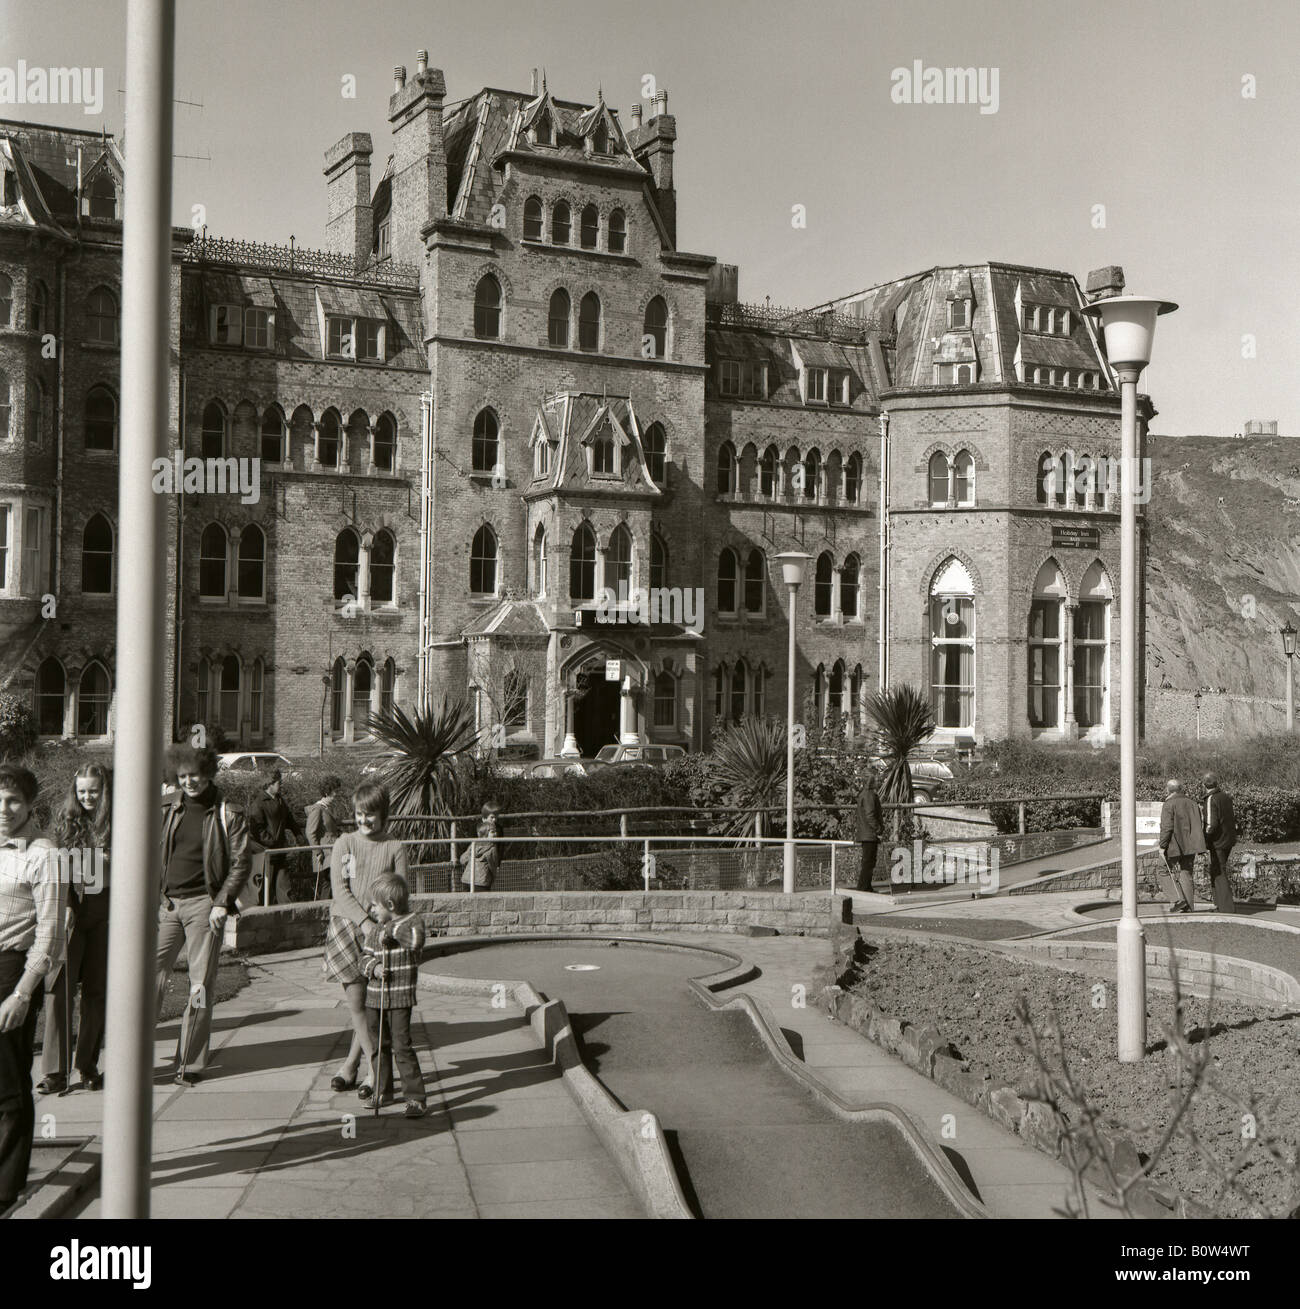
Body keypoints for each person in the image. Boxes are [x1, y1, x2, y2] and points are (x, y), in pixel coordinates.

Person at [156, 744, 251, 1086]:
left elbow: (241, 862)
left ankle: (190, 1062)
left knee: (200, 984)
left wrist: (222, 903)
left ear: (208, 772)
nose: (189, 782)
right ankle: (138, 1052)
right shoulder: (169, 808)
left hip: (205, 905)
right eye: (182, 776)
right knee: (149, 977)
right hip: (167, 905)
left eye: (194, 775)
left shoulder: (229, 811)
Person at [0, 765, 66, 1211]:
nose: (4, 809)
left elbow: (51, 935)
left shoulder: (44, 855)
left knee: (8, 1085)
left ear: (29, 804)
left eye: (12, 800)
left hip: (10, 970)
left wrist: (22, 993)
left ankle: (6, 1187)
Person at [324, 782, 409, 1100]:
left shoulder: (395, 847)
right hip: (348, 928)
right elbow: (340, 890)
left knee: (372, 1006)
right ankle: (375, 1071)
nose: (364, 820)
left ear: (383, 815)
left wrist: (389, 929)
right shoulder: (345, 844)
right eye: (360, 814)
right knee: (358, 1004)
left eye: (370, 815)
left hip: (381, 935)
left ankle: (349, 1066)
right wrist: (364, 924)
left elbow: (400, 896)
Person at [37, 764, 112, 1094]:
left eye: (93, 790)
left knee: (96, 993)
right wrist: (65, 901)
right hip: (74, 909)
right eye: (82, 791)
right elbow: (57, 865)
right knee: (59, 989)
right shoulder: (66, 819)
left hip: (107, 909)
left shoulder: (119, 820)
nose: (87, 796)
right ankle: (55, 1071)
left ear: (105, 789)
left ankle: (87, 1065)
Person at [361, 871, 427, 1117]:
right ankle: (383, 1090)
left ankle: (416, 1098)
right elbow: (363, 958)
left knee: (402, 1047)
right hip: (374, 999)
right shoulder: (374, 931)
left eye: (374, 905)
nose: (371, 909)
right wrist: (374, 967)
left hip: (399, 998)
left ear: (389, 905)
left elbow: (416, 941)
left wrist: (391, 931)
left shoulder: (412, 922)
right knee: (379, 1046)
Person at [246, 770, 307, 906]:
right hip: (266, 855)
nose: (281, 785)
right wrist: (271, 843)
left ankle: (288, 919)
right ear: (270, 784)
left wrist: (298, 834)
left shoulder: (280, 800)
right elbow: (257, 830)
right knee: (264, 892)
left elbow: (289, 819)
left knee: (285, 890)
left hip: (280, 852)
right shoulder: (259, 803)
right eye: (279, 782)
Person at [1158, 778, 1207, 913]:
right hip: (1190, 845)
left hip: (1174, 845)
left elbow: (1166, 827)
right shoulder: (1192, 803)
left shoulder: (1168, 804)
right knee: (1186, 873)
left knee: (1162, 870)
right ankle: (1189, 908)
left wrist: (1162, 846)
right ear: (1181, 789)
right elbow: (1199, 824)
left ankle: (1177, 900)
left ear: (1168, 789)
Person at [1202, 772, 1237, 915]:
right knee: (1216, 871)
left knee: (1219, 872)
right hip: (1228, 839)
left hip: (1218, 841)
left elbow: (1211, 824)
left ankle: (1226, 908)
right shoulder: (1226, 797)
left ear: (1204, 784)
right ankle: (1219, 904)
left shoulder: (1211, 799)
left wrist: (1204, 839)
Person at [305, 775, 343, 900]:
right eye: (334, 791)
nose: (336, 794)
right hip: (325, 852)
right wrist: (317, 851)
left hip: (333, 850)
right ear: (327, 792)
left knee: (333, 882)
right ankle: (323, 909)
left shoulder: (327, 808)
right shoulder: (317, 809)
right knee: (328, 882)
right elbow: (310, 832)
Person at [460, 802, 501, 891]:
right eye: (493, 832)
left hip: (466, 879)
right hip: (482, 882)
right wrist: (494, 876)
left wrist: (472, 864)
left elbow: (463, 859)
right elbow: (493, 864)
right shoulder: (491, 848)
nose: (496, 834)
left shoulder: (474, 844)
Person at [855, 771, 885, 892]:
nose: (878, 782)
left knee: (869, 861)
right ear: (871, 782)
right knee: (868, 861)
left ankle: (866, 885)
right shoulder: (869, 796)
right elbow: (870, 815)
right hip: (869, 834)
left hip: (866, 833)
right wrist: (878, 829)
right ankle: (863, 886)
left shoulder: (864, 794)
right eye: (876, 780)